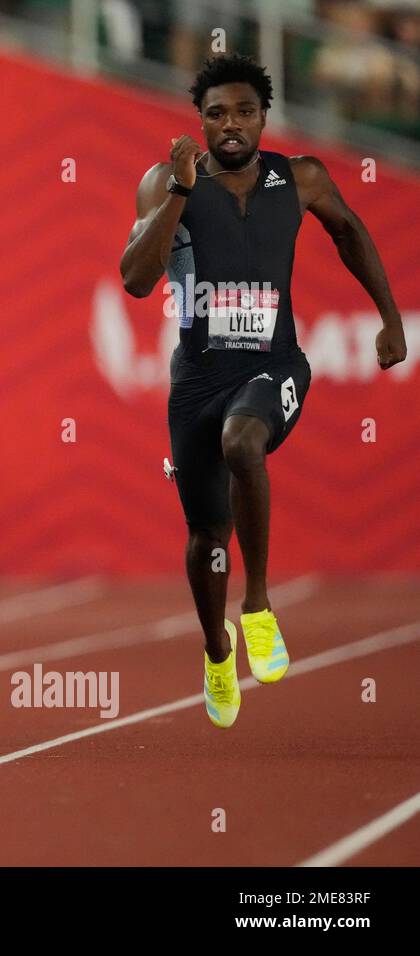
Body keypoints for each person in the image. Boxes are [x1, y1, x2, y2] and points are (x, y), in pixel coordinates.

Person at [119, 53, 407, 728]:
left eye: (244, 112)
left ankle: (257, 609)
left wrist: (390, 317)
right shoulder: (164, 181)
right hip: (196, 380)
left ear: (263, 117)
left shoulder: (299, 177)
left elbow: (351, 232)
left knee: (244, 442)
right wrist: (181, 193)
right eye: (216, 113)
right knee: (205, 534)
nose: (231, 126)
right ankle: (217, 651)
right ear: (199, 120)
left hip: (274, 364)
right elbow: (135, 278)